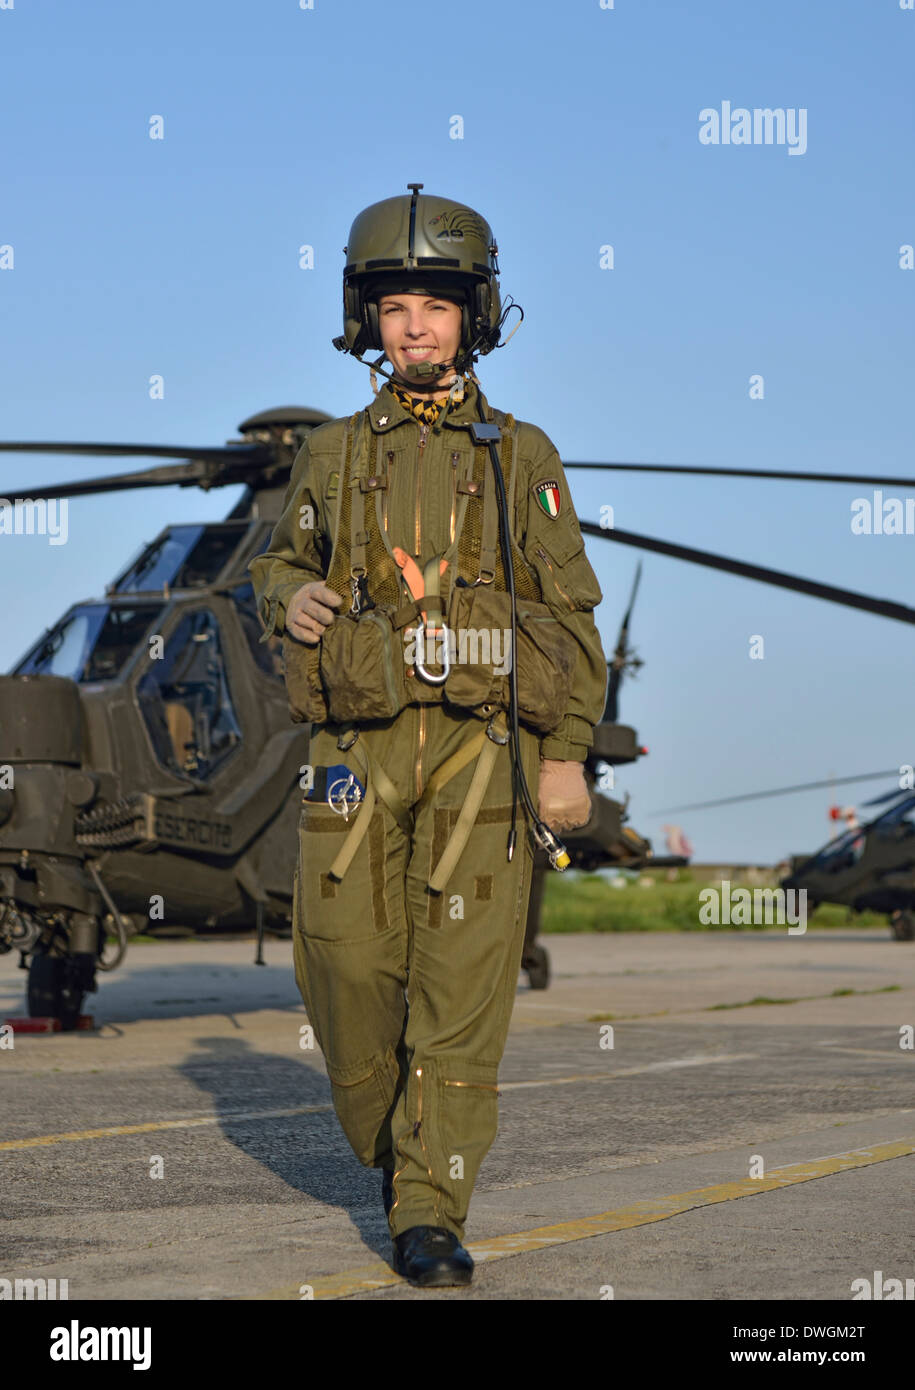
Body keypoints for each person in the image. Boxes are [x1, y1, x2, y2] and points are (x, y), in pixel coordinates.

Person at [249, 184, 608, 1287]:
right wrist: (289, 600)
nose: (416, 325)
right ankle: (398, 1150)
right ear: (367, 320)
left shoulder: (524, 457)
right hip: (355, 748)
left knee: (462, 994)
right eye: (396, 304)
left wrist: (565, 752)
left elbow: (566, 613)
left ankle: (429, 1208)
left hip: (479, 750)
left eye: (437, 305)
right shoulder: (331, 454)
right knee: (347, 971)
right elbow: (282, 562)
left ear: (475, 316)